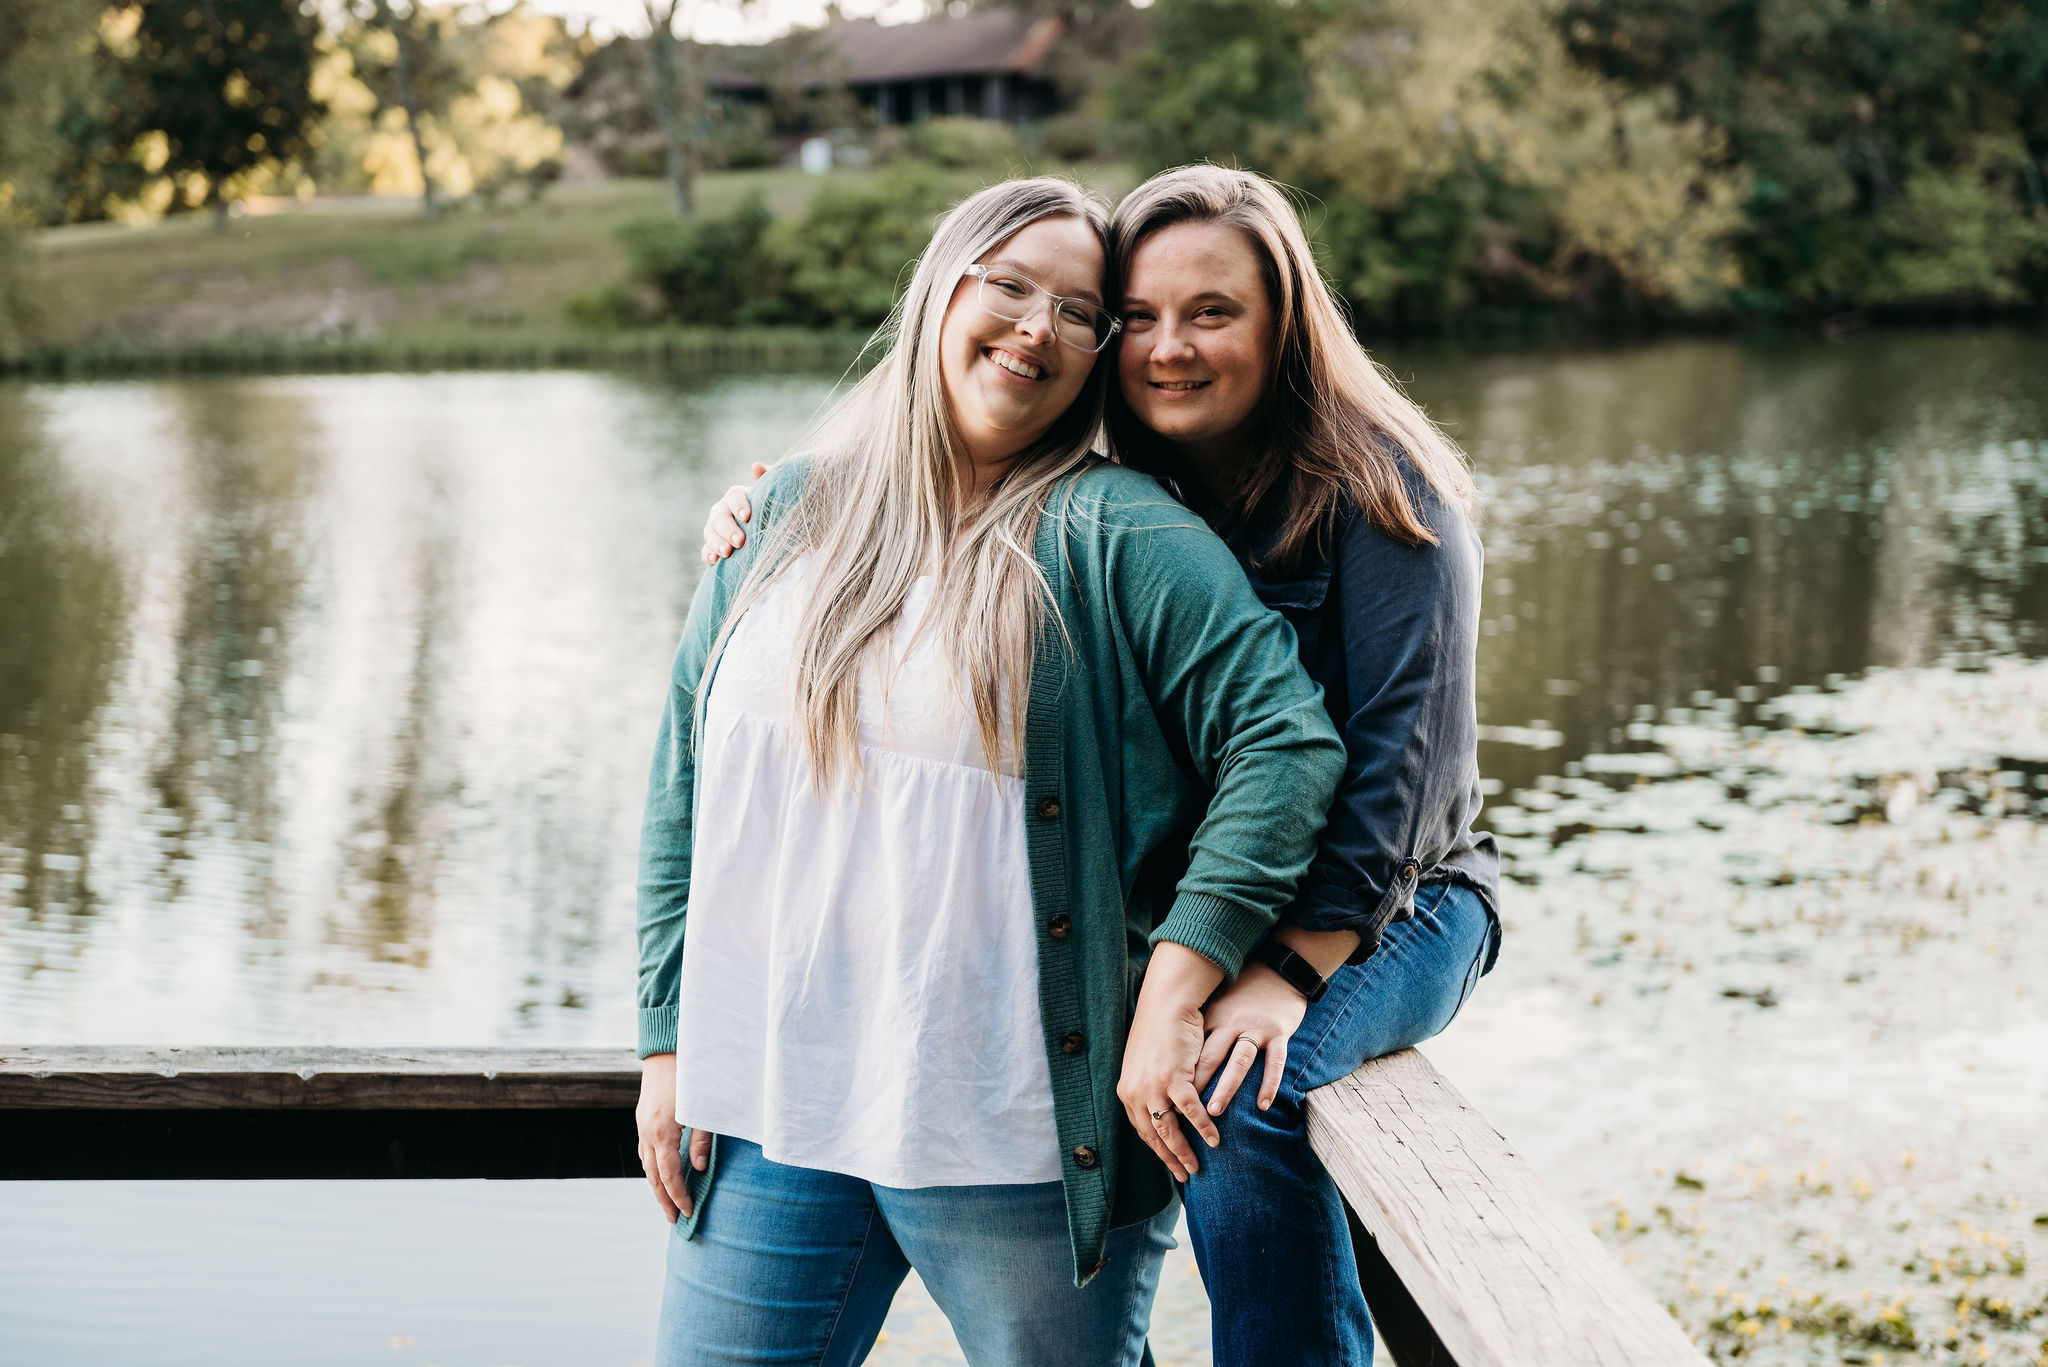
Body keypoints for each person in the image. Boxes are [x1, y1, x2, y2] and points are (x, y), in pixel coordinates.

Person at [702, 164, 1501, 1367]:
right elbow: (936, 433)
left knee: (1241, 1095)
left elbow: (1402, 784)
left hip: (1393, 903)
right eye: (1135, 316)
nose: (1167, 347)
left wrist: (1280, 972)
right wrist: (777, 495)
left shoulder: (1385, 496)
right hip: (1219, 911)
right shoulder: (1123, 481)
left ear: (1283, 324)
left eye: (1212, 312)